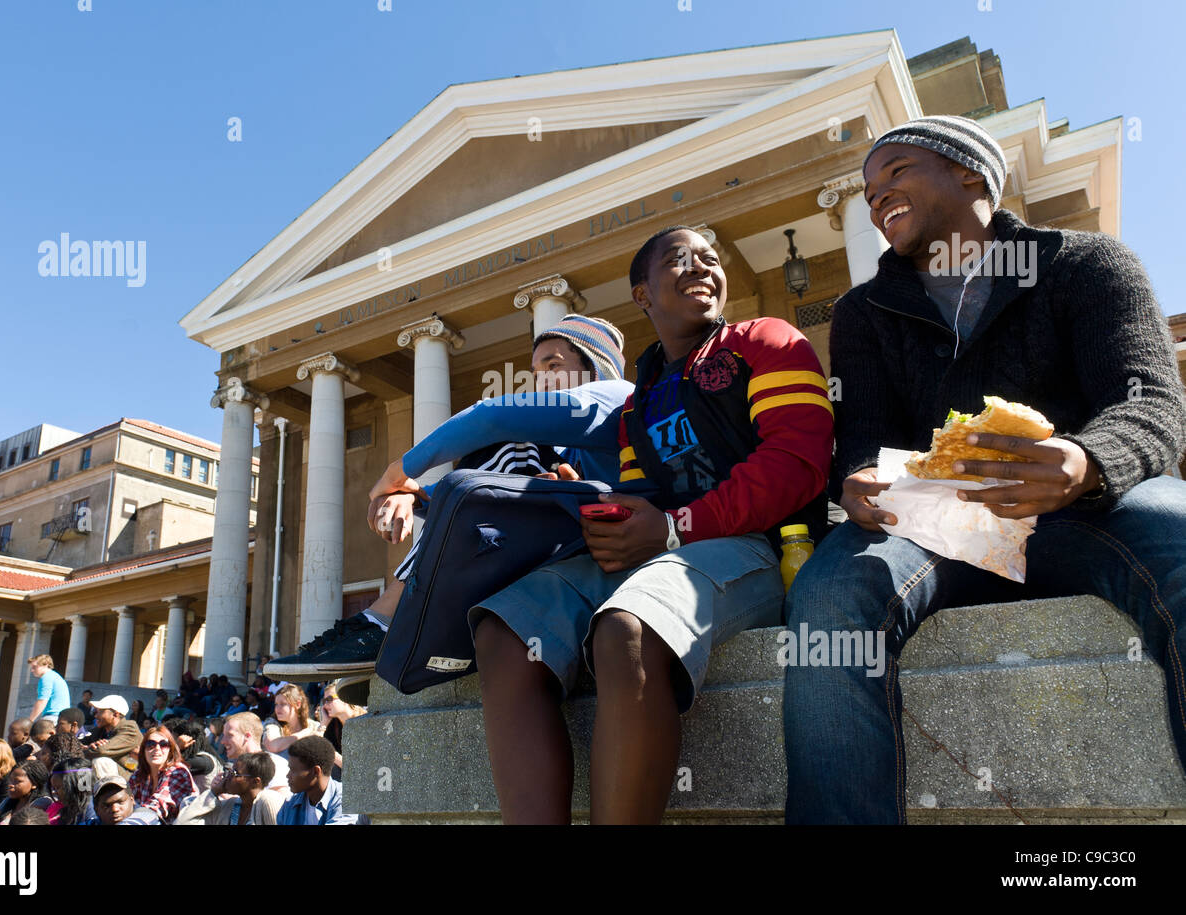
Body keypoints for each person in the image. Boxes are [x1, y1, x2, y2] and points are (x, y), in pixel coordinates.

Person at [782, 114, 1186, 825]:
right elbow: (866, 440)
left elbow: (1151, 401)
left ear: (969, 173)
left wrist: (1088, 459)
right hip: (937, 523)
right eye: (870, 192)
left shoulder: (1085, 262)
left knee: (1178, 531)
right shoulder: (861, 311)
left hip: (1084, 506)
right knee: (832, 588)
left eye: (897, 173)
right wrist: (862, 482)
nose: (878, 199)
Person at [468, 225, 834, 824]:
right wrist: (595, 507)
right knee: (503, 632)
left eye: (712, 260)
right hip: (668, 550)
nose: (702, 268)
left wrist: (673, 528)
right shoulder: (641, 399)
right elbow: (642, 497)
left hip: (765, 548)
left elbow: (795, 466)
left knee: (626, 630)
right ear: (642, 294)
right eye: (680, 260)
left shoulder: (766, 339)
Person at [267, 314, 633, 680]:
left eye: (554, 366)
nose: (542, 382)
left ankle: (387, 619)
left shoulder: (617, 395)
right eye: (537, 372)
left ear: (597, 368)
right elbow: (493, 489)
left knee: (512, 441)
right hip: (583, 552)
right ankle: (404, 621)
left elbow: (491, 418)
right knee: (517, 465)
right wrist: (416, 498)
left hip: (626, 555)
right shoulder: (568, 450)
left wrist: (398, 473)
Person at [175, 752, 285, 826]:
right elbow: (182, 822)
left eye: (235, 773)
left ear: (255, 781)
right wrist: (213, 792)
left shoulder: (268, 799)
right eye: (230, 771)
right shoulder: (230, 806)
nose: (227, 776)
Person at [277, 736, 356, 825]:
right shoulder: (290, 804)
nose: (288, 775)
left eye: (293, 770)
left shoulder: (347, 800)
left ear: (316, 771)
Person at [127, 724, 196, 824]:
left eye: (163, 744)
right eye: (150, 744)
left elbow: (158, 805)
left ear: (170, 750)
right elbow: (125, 799)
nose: (157, 748)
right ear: (143, 750)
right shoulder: (139, 775)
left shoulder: (178, 772)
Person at [219, 712, 290, 793]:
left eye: (230, 735)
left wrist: (232, 799)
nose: (222, 741)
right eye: (224, 735)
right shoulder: (234, 767)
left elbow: (279, 801)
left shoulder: (276, 764)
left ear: (247, 736)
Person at [81, 694, 142, 773]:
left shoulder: (129, 729)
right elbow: (78, 742)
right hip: (113, 773)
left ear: (115, 714)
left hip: (130, 776)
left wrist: (87, 749)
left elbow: (102, 751)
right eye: (96, 711)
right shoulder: (101, 730)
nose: (96, 715)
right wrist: (87, 747)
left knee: (101, 761)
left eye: (100, 711)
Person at [320, 684, 366, 781]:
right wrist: (323, 724)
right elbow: (314, 746)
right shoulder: (332, 724)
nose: (325, 705)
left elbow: (359, 767)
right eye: (324, 701)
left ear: (344, 698)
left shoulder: (364, 723)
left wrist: (331, 753)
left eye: (329, 699)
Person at [261, 683, 318, 760]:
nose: (277, 708)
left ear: (298, 704)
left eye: (283, 704)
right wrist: (306, 732)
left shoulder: (312, 725)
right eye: (276, 704)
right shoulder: (272, 723)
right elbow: (273, 746)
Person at [0, 759, 52, 825]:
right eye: (10, 780)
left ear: (34, 784)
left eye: (17, 781)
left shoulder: (42, 802)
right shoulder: (8, 801)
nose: (10, 785)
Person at [88, 774, 159, 825]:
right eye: (107, 806)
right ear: (96, 810)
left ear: (132, 800)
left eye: (120, 802)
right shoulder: (92, 822)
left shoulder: (147, 817)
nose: (115, 809)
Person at [48, 756, 95, 825]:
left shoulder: (92, 810)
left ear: (74, 786)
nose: (53, 792)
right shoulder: (68, 810)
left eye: (58, 787)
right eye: (53, 788)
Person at [27, 654, 71, 724]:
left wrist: (29, 721)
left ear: (45, 665)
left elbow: (42, 701)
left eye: (34, 667)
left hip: (53, 717)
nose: (32, 670)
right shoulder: (54, 676)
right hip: (61, 717)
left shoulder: (46, 677)